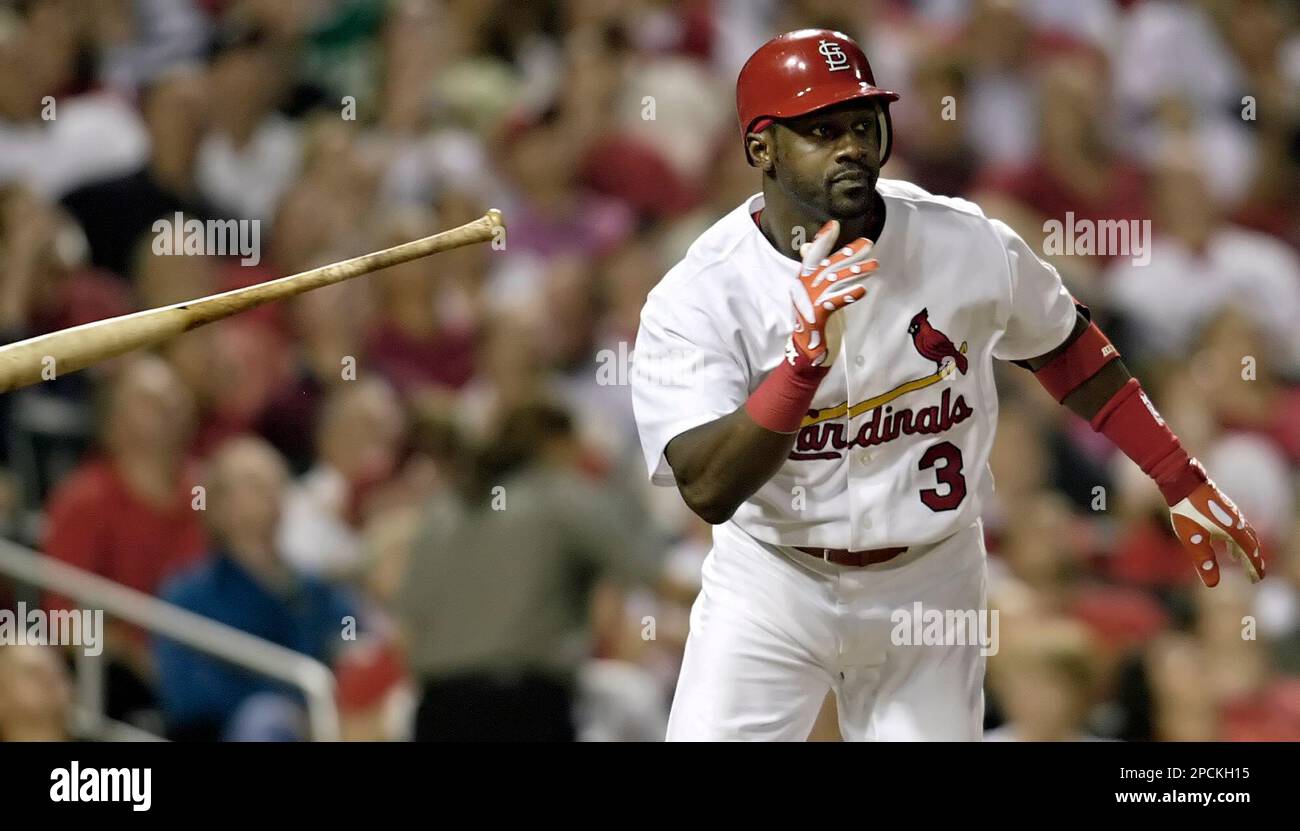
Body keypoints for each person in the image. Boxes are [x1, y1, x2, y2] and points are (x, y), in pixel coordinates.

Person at [630, 29, 1265, 742]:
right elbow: (707, 486)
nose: (852, 146)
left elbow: (1069, 348)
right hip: (774, 578)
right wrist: (800, 370)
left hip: (927, 581)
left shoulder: (965, 243)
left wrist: (1175, 473)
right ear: (762, 148)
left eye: (864, 123)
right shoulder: (700, 295)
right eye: (821, 129)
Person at [398, 401, 660, 742]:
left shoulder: (442, 512)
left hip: (439, 709)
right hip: (524, 710)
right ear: (557, 444)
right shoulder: (561, 499)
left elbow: (408, 623)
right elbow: (648, 569)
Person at [154, 436, 356, 741]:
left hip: (329, 721)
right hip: (241, 729)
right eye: (251, 483)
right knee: (265, 718)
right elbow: (188, 695)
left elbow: (353, 636)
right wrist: (289, 705)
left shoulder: (316, 589)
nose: (268, 492)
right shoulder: (189, 595)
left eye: (275, 481)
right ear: (217, 505)